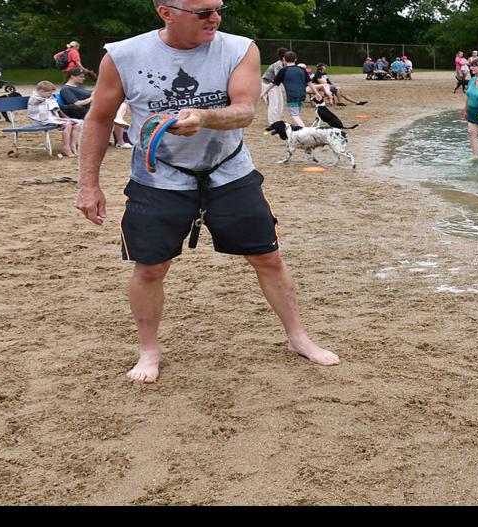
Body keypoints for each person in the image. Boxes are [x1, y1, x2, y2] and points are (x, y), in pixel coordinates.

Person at [75, 0, 340, 383]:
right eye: (203, 12)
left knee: (268, 258)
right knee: (150, 267)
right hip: (158, 176)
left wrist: (204, 117)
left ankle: (298, 336)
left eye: (218, 8)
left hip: (229, 171)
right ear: (166, 13)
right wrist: (89, 184)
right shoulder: (123, 55)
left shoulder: (238, 48)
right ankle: (149, 350)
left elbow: (245, 110)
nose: (214, 18)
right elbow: (99, 119)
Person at [26, 80, 83, 157]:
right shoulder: (35, 98)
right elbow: (40, 111)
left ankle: (72, 145)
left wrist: (66, 118)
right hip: (41, 120)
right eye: (49, 93)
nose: (50, 95)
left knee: (76, 125)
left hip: (50, 118)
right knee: (68, 125)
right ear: (42, 91)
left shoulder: (47, 97)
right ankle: (66, 147)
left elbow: (56, 108)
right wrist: (65, 119)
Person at [277, 51, 311, 128]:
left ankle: (303, 129)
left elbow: (274, 83)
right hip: (302, 95)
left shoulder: (283, 70)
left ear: (284, 59)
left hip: (292, 96)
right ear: (295, 59)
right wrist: (317, 93)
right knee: (297, 113)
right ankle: (299, 127)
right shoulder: (302, 69)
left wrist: (264, 92)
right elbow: (309, 83)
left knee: (294, 115)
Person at [261, 47, 290, 133]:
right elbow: (279, 77)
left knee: (280, 103)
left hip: (275, 84)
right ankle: (272, 122)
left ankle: (277, 120)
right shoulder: (278, 65)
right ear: (284, 57)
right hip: (268, 83)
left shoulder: (284, 64)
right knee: (274, 104)